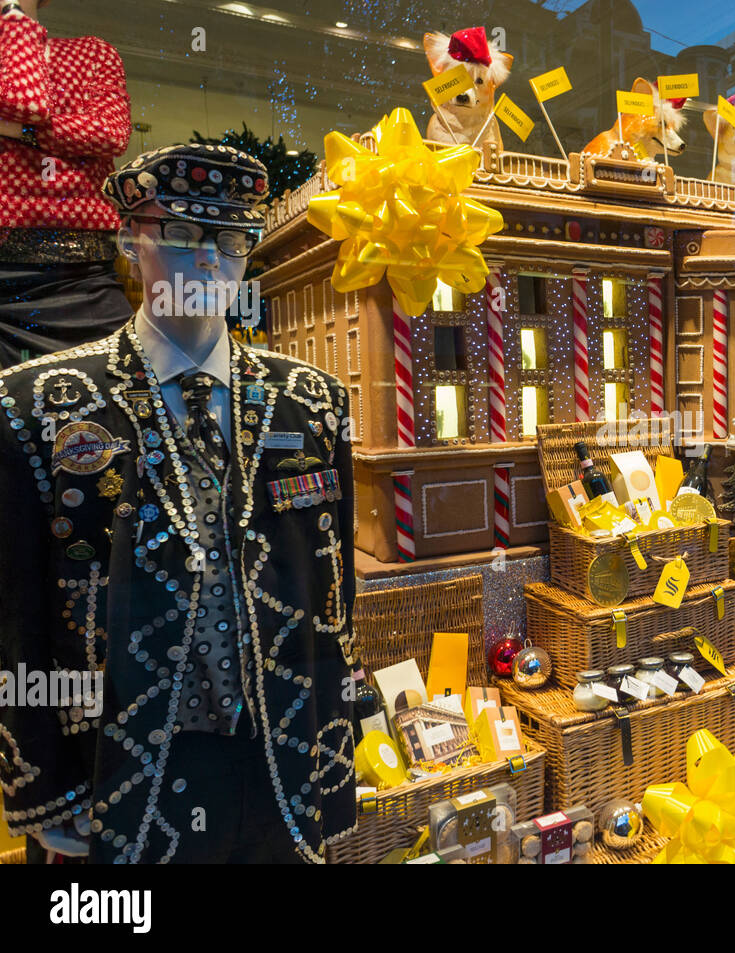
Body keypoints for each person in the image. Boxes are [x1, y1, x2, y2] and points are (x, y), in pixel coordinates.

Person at [0, 143, 357, 863]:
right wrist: (40, 785)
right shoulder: (34, 404)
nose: (208, 262)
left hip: (275, 755)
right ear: (133, 242)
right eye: (182, 236)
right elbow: (14, 614)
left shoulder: (313, 401)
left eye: (230, 240)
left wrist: (336, 760)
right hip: (111, 766)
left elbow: (337, 600)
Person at [0, 0, 134, 368]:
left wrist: (20, 132)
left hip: (81, 273)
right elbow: (24, 100)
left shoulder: (92, 53)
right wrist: (16, 24)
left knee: (114, 390)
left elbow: (110, 133)